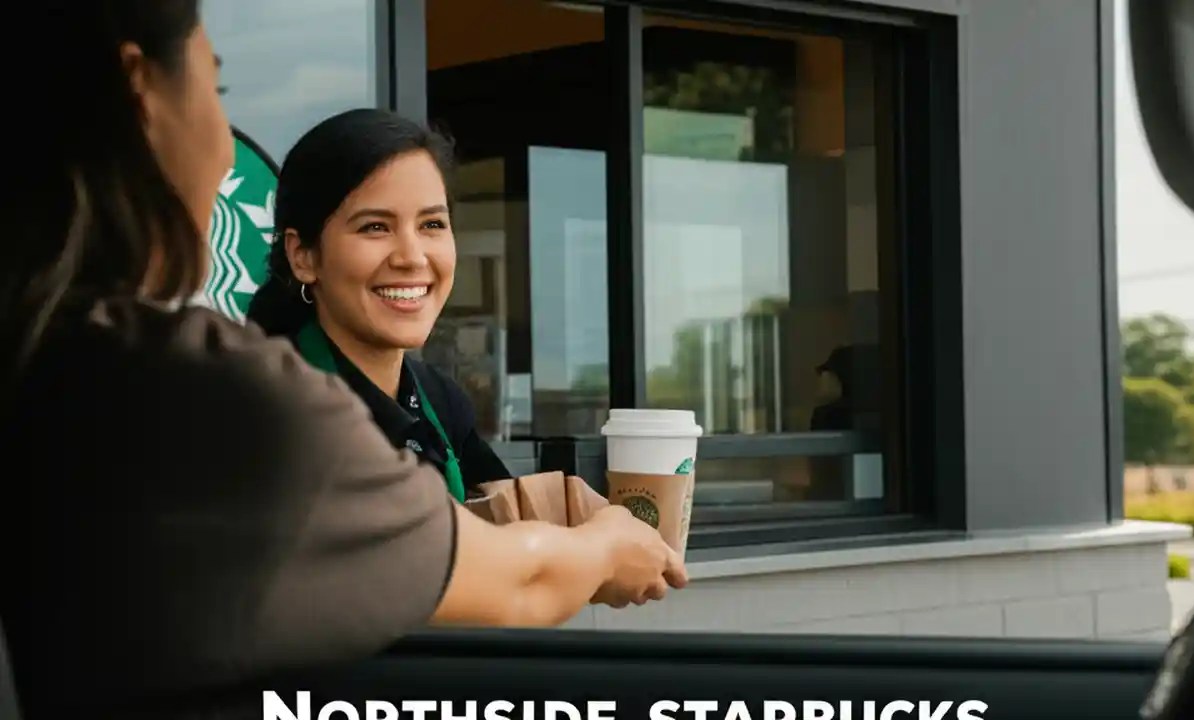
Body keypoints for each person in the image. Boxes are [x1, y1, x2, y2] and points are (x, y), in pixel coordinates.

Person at [0, 1, 686, 716]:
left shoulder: (47, 362)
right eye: (217, 89)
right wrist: (610, 546)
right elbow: (518, 582)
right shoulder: (222, 403)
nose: (412, 256)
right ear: (143, 96)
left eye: (433, 224)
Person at [246, 109, 508, 500]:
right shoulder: (270, 413)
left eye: (432, 224)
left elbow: (516, 511)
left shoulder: (439, 400)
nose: (412, 257)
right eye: (375, 227)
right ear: (303, 256)